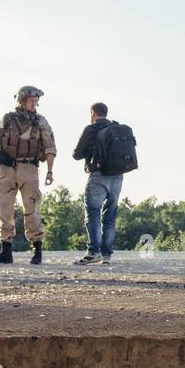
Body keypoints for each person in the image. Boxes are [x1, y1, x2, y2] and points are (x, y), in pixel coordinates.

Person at [0, 86, 56, 265]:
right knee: (4, 208)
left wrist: (49, 171)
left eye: (36, 101)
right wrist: (0, 154)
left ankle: (37, 250)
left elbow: (50, 147)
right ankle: (6, 250)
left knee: (31, 209)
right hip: (7, 169)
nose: (35, 103)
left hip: (29, 168)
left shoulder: (41, 121)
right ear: (22, 101)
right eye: (32, 100)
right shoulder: (5, 119)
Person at [71, 102, 124, 265]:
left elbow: (77, 154)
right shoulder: (116, 128)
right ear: (106, 113)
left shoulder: (91, 129)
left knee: (93, 213)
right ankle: (107, 255)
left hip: (98, 175)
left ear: (93, 113)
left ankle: (94, 251)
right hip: (117, 176)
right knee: (110, 215)